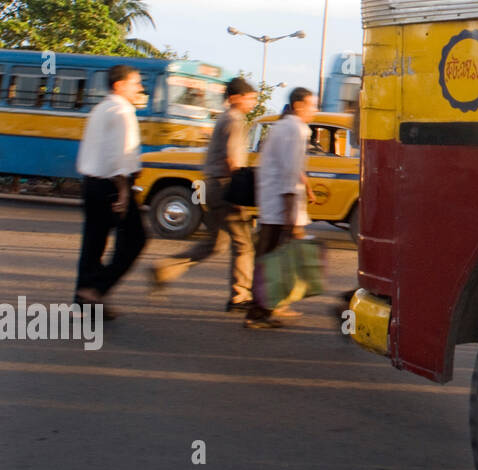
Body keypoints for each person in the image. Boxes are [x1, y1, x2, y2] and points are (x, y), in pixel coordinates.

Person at [152, 76, 258, 310]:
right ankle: (240, 296)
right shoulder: (234, 120)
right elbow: (232, 160)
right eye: (249, 98)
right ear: (234, 98)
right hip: (224, 187)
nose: (253, 103)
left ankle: (165, 268)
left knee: (216, 244)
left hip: (213, 186)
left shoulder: (226, 118)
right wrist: (238, 195)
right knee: (244, 244)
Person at [74, 64, 148, 318]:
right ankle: (96, 289)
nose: (140, 88)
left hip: (91, 183)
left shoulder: (101, 108)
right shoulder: (122, 111)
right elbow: (121, 156)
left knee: (93, 243)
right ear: (119, 85)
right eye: (136, 82)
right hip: (113, 186)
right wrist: (124, 193)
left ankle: (83, 300)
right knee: (136, 239)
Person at [244, 87, 317, 329]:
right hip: (280, 204)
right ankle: (258, 312)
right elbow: (289, 171)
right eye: (311, 105)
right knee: (271, 259)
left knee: (272, 258)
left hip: (275, 202)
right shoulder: (295, 129)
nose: (314, 111)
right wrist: (290, 213)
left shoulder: (284, 127)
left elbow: (294, 167)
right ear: (298, 105)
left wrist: (307, 188)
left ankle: (269, 306)